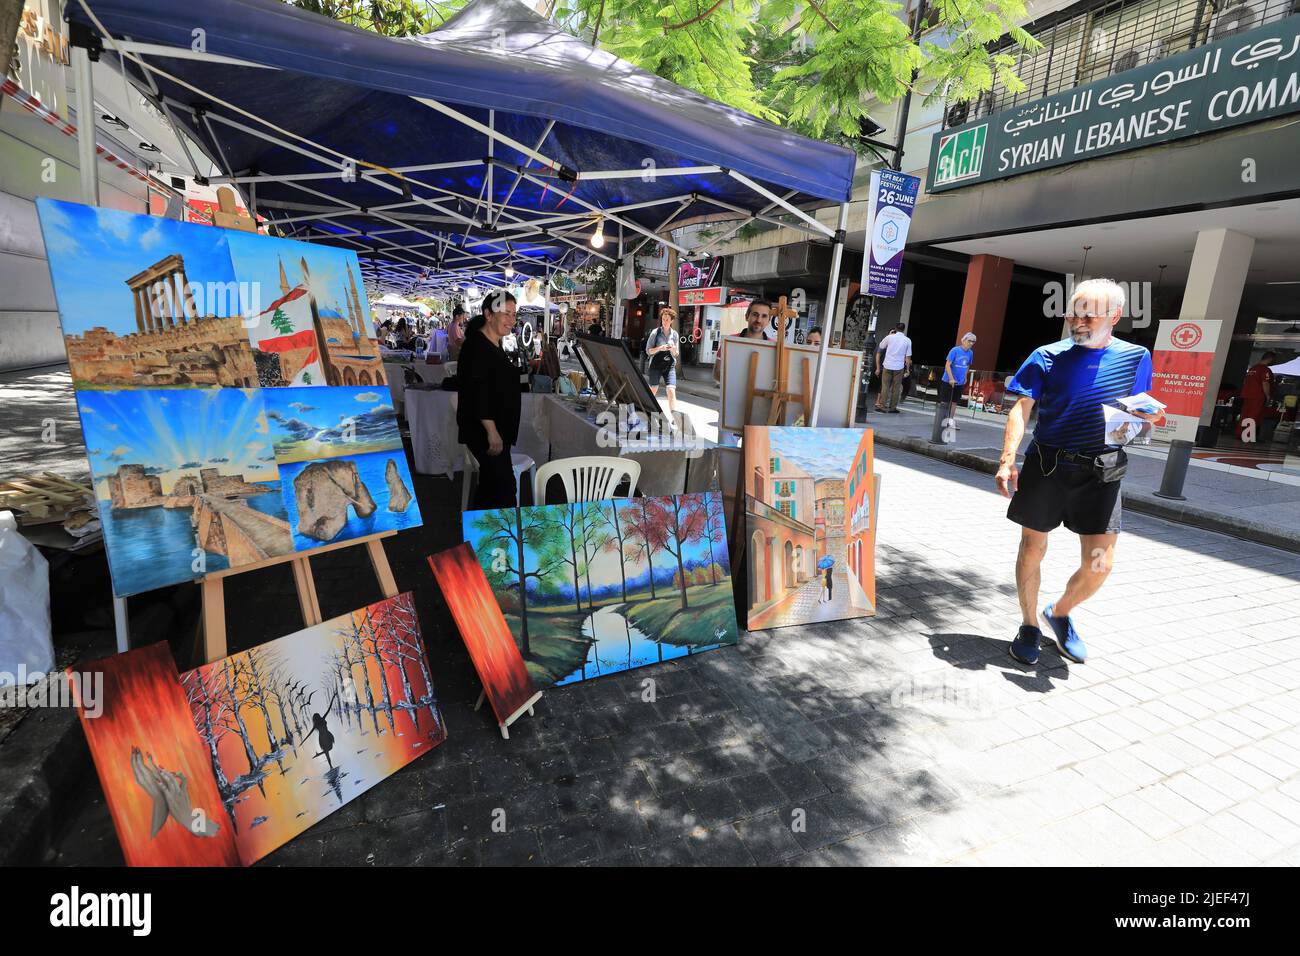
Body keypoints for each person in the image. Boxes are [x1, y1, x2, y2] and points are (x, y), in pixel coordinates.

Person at [997, 278, 1163, 668]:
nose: (1078, 321)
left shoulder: (1136, 357)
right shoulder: (1047, 355)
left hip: (1102, 471)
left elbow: (1138, 414)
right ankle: (1028, 626)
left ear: (1115, 316)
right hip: (1048, 464)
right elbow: (1021, 409)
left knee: (1100, 563)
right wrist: (1008, 458)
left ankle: (1059, 612)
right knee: (1032, 548)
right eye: (1074, 312)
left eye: (1089, 314)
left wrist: (1149, 419)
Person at [457, 291, 522, 509]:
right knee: (505, 489)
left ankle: (476, 537)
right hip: (484, 431)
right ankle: (503, 536)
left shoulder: (493, 343)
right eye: (506, 314)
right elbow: (477, 391)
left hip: (497, 429)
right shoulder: (477, 345)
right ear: (488, 314)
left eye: (513, 314)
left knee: (490, 487)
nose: (511, 320)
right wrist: (491, 431)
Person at [714, 300, 773, 382]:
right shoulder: (729, 342)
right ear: (747, 316)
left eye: (764, 316)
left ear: (768, 321)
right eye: (755, 315)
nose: (759, 320)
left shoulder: (774, 346)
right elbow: (717, 373)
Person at [645, 306, 680, 415]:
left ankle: (674, 416)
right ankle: (645, 410)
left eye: (667, 320)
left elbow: (676, 354)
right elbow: (648, 351)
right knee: (653, 390)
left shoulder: (674, 334)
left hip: (669, 366)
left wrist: (673, 349)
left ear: (672, 321)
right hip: (656, 365)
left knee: (671, 390)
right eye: (663, 319)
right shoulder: (655, 333)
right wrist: (660, 348)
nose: (664, 321)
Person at [1238, 350, 1278, 441]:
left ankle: (1240, 433)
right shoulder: (1265, 370)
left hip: (1247, 394)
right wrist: (1267, 395)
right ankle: (1247, 436)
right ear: (1270, 359)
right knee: (1254, 415)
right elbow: (1265, 383)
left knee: (1245, 415)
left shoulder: (1252, 368)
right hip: (1258, 396)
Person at [877, 323, 912, 413]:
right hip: (899, 367)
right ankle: (893, 408)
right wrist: (907, 369)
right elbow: (908, 357)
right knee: (896, 388)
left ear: (896, 329)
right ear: (904, 329)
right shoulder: (907, 340)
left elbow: (881, 346)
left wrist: (889, 335)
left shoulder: (890, 337)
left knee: (885, 386)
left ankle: (882, 406)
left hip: (887, 365)